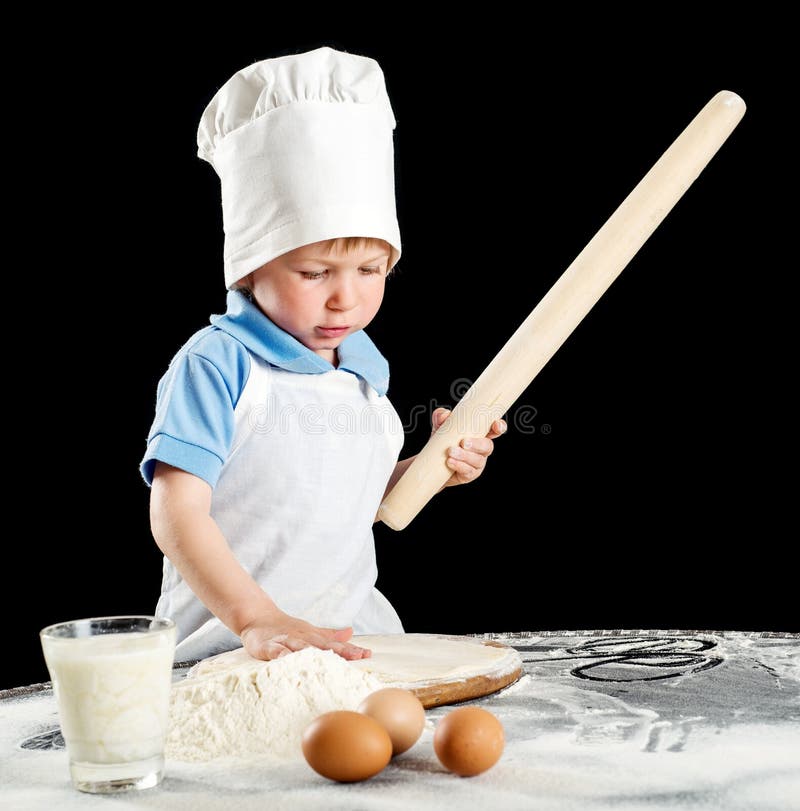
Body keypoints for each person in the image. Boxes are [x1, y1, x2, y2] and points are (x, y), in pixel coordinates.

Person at [140, 47, 506, 664]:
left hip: (350, 641)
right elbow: (175, 514)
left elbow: (339, 502)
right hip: (230, 648)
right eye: (314, 272)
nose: (345, 299)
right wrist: (257, 618)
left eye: (370, 269)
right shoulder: (218, 366)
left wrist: (429, 470)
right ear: (250, 270)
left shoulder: (363, 370)